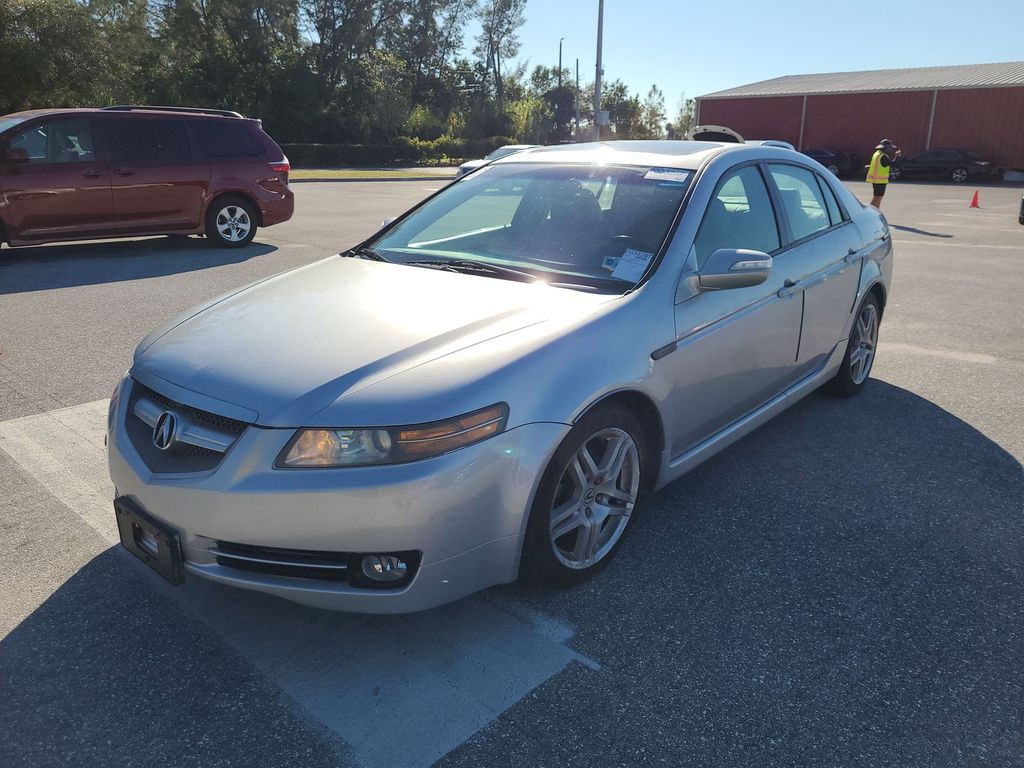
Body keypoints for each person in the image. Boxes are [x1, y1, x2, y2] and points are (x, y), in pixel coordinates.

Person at [866, 139, 900, 208]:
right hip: (880, 181)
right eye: (890, 148)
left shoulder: (877, 154)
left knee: (877, 197)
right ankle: (873, 211)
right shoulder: (883, 156)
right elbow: (893, 164)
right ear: (886, 148)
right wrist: (897, 156)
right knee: (878, 197)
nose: (890, 150)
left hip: (875, 180)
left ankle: (875, 210)